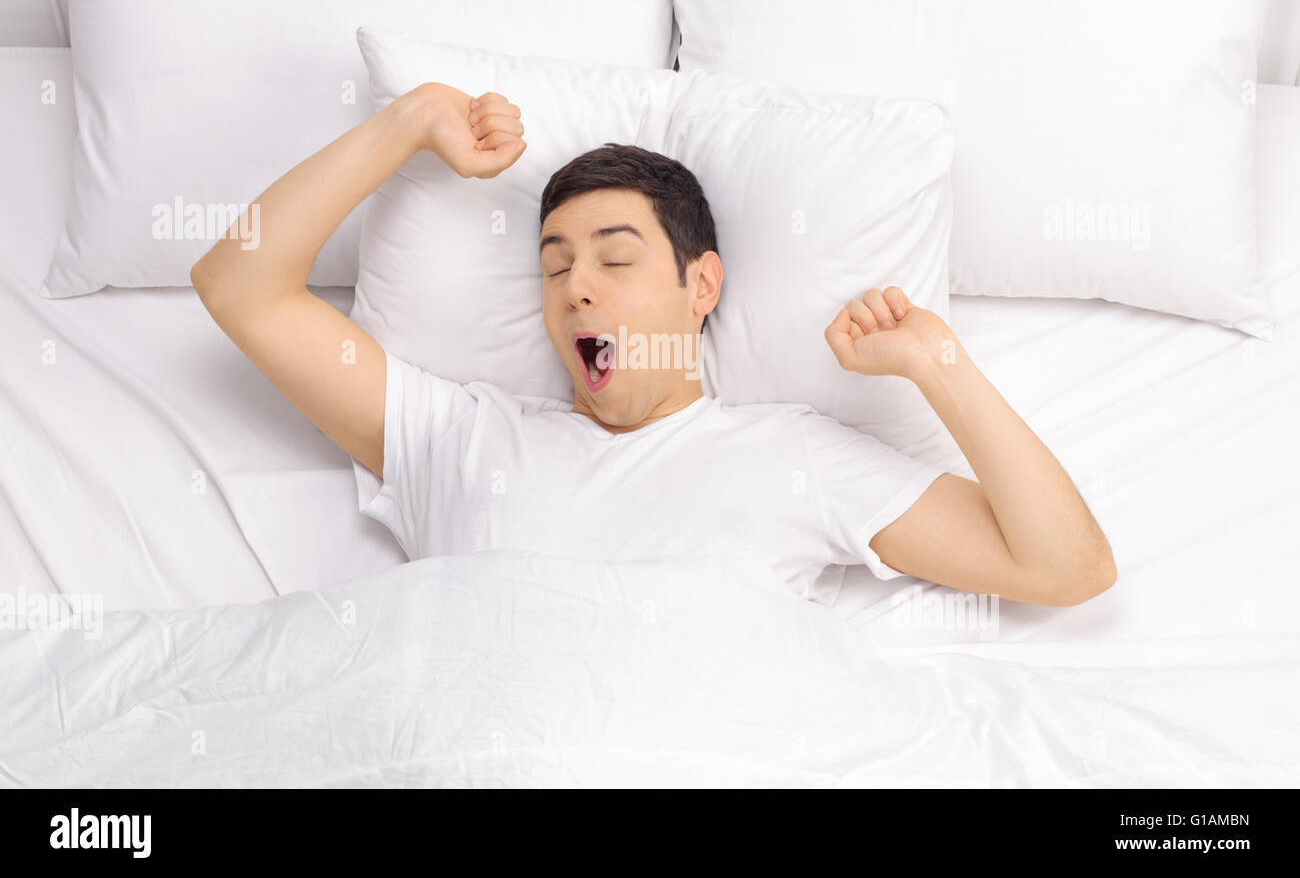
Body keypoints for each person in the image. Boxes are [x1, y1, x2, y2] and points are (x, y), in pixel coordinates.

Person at [191, 82, 1116, 606]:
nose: (576, 286)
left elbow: (1066, 567)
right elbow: (238, 286)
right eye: (554, 267)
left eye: (613, 259)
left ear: (700, 286)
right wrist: (407, 123)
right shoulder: (457, 437)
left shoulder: (792, 456)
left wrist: (934, 361)